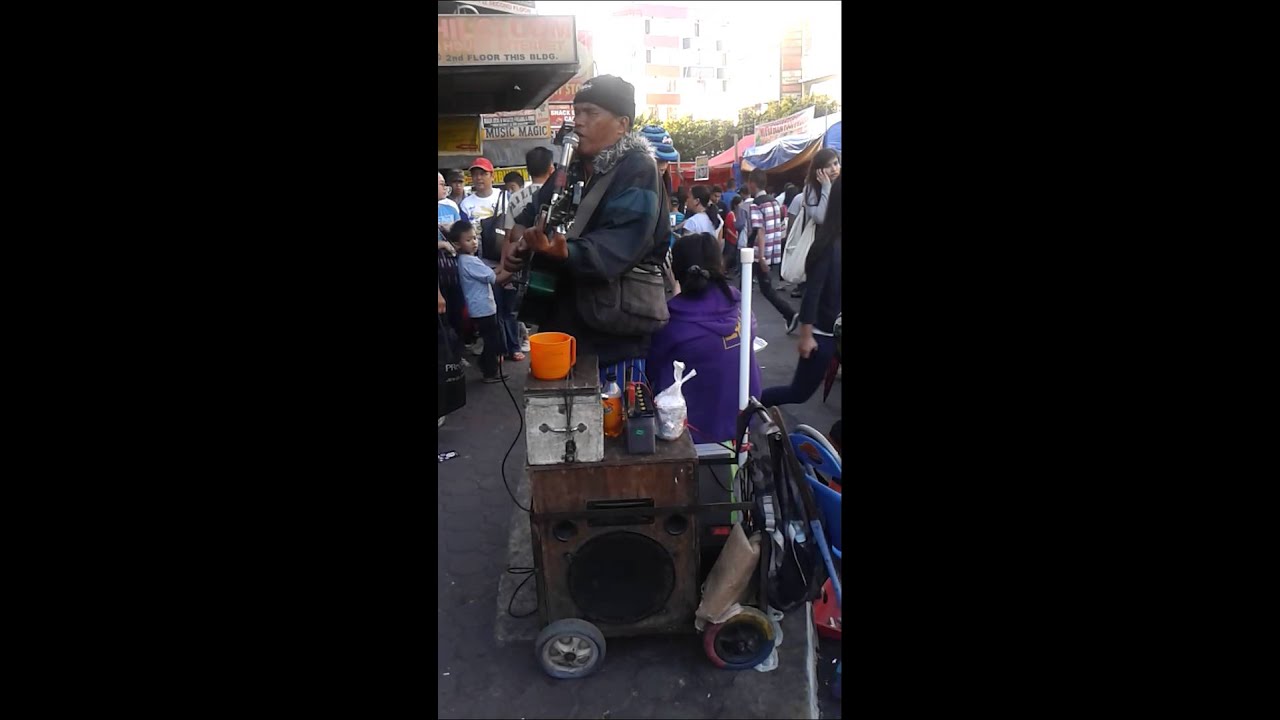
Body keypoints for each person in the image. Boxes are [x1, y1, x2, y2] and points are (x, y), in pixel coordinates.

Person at [503, 75, 671, 386]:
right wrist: (520, 246)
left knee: (610, 427)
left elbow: (620, 242)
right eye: (576, 112)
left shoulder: (638, 169)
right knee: (556, 427)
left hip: (612, 339)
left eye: (590, 113)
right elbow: (527, 218)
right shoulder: (568, 171)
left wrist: (567, 251)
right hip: (561, 328)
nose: (578, 122)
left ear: (622, 124)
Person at [648, 232, 761, 445]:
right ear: (719, 265)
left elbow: (650, 370)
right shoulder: (740, 306)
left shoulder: (670, 323)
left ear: (675, 271)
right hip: (742, 423)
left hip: (690, 432)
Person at [761, 175, 842, 408]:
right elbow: (812, 293)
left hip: (831, 332)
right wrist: (806, 336)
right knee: (798, 393)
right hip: (822, 335)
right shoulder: (828, 245)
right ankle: (749, 407)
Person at [501, 146, 557, 359]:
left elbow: (510, 235)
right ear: (551, 168)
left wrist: (506, 265)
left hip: (527, 263)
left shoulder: (516, 197)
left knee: (529, 310)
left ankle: (533, 347)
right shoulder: (559, 194)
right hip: (555, 262)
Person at [451, 220, 511, 383]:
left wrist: (502, 268)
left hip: (481, 307)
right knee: (492, 340)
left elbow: (491, 272)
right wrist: (512, 270)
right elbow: (495, 279)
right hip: (483, 308)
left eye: (475, 238)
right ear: (457, 244)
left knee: (491, 338)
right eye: (468, 240)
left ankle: (487, 366)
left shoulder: (466, 260)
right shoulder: (470, 261)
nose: (474, 242)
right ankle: (489, 372)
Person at [744, 169, 798, 332]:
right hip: (771, 252)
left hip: (756, 254)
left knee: (747, 288)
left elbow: (759, 230)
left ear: (752, 183)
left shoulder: (756, 204)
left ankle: (789, 313)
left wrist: (760, 257)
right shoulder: (774, 202)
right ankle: (788, 314)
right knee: (763, 288)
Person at [787, 149, 840, 298]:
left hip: (837, 242)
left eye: (836, 163)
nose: (834, 169)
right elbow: (820, 217)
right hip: (821, 244)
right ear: (819, 170)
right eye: (829, 166)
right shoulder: (811, 188)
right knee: (820, 288)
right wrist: (826, 187)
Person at [459, 158, 503, 223]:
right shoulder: (465, 204)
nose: (478, 178)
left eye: (483, 174)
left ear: (492, 176)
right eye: (475, 174)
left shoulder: (505, 197)